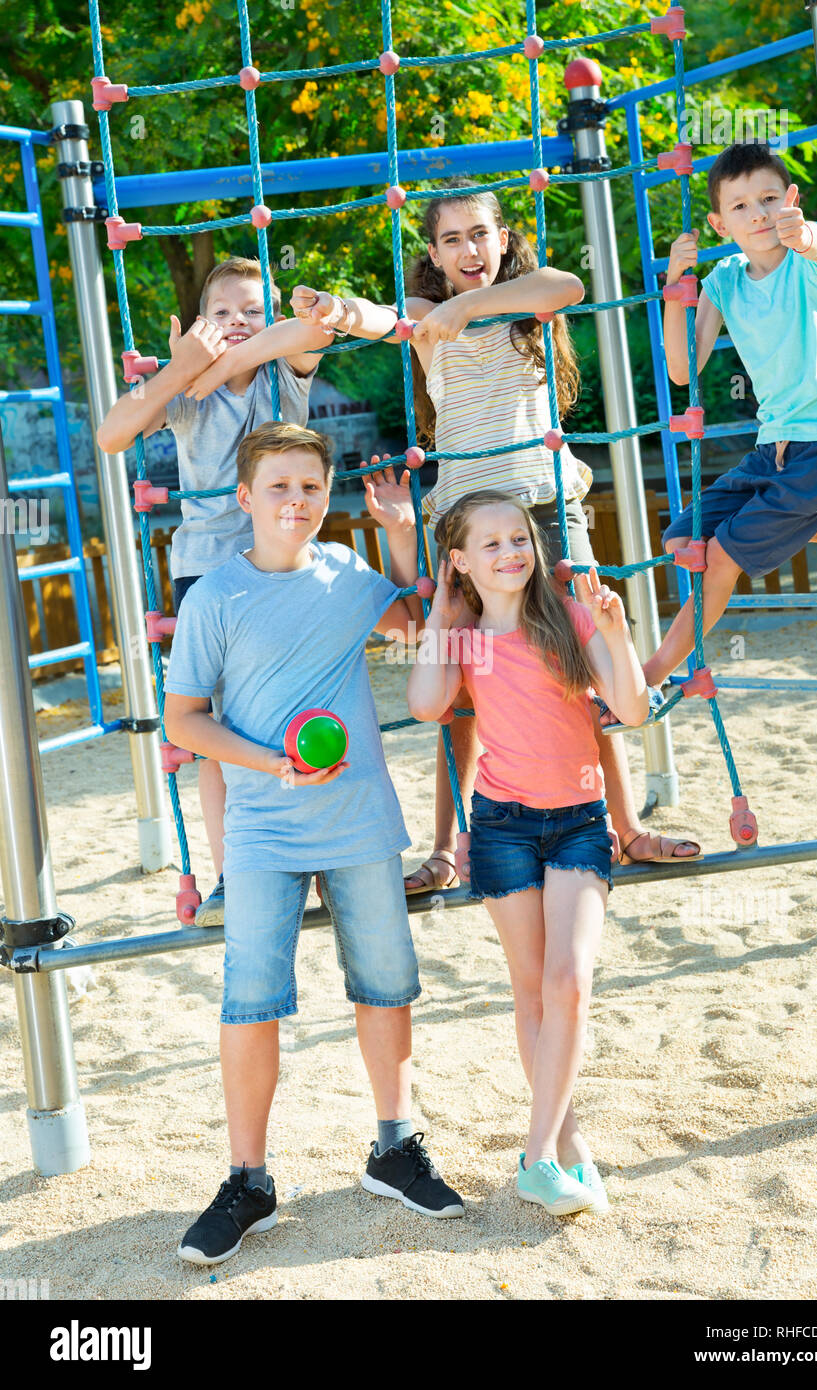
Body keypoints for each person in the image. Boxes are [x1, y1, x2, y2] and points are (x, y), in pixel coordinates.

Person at [308, 182, 699, 889]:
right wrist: (339, 311)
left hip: (545, 509)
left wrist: (469, 305)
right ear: (432, 252)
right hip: (465, 518)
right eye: (451, 239)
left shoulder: (526, 304)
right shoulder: (427, 314)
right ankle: (446, 846)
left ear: (502, 238)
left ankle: (621, 827)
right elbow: (384, 318)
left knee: (575, 672)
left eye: (480, 234)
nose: (467, 250)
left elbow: (569, 283)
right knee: (462, 681)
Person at [163, 421, 464, 1265]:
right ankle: (248, 1180)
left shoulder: (347, 574)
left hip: (360, 819)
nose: (296, 501)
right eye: (279, 487)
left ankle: (393, 1149)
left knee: (386, 986)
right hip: (261, 829)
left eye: (310, 487)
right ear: (245, 497)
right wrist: (272, 762)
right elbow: (185, 719)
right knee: (250, 1001)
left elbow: (415, 624)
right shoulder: (214, 597)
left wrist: (401, 535)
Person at [98, 257, 394, 926]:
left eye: (251, 311)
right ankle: (232, 874)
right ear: (200, 322)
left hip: (285, 567)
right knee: (218, 733)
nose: (238, 322)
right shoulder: (183, 393)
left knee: (298, 710)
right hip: (209, 572)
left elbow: (309, 334)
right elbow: (113, 434)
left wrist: (224, 361)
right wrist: (180, 372)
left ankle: (323, 854)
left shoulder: (279, 382)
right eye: (222, 313)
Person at [408, 489, 648, 1215]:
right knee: (531, 993)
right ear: (458, 562)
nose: (511, 553)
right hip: (503, 827)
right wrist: (441, 619)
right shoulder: (464, 634)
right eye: (490, 544)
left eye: (519, 539)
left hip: (577, 821)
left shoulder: (569, 619)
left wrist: (615, 632)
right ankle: (565, 1146)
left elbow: (632, 710)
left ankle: (535, 1154)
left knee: (568, 982)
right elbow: (425, 705)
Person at [648, 141, 817, 689]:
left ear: (789, 202)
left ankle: (653, 672)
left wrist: (807, 235)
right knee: (683, 542)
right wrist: (675, 290)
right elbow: (683, 370)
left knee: (722, 557)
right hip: (772, 449)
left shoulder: (809, 257)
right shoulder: (724, 280)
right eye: (741, 206)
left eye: (770, 198)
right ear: (719, 222)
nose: (759, 214)